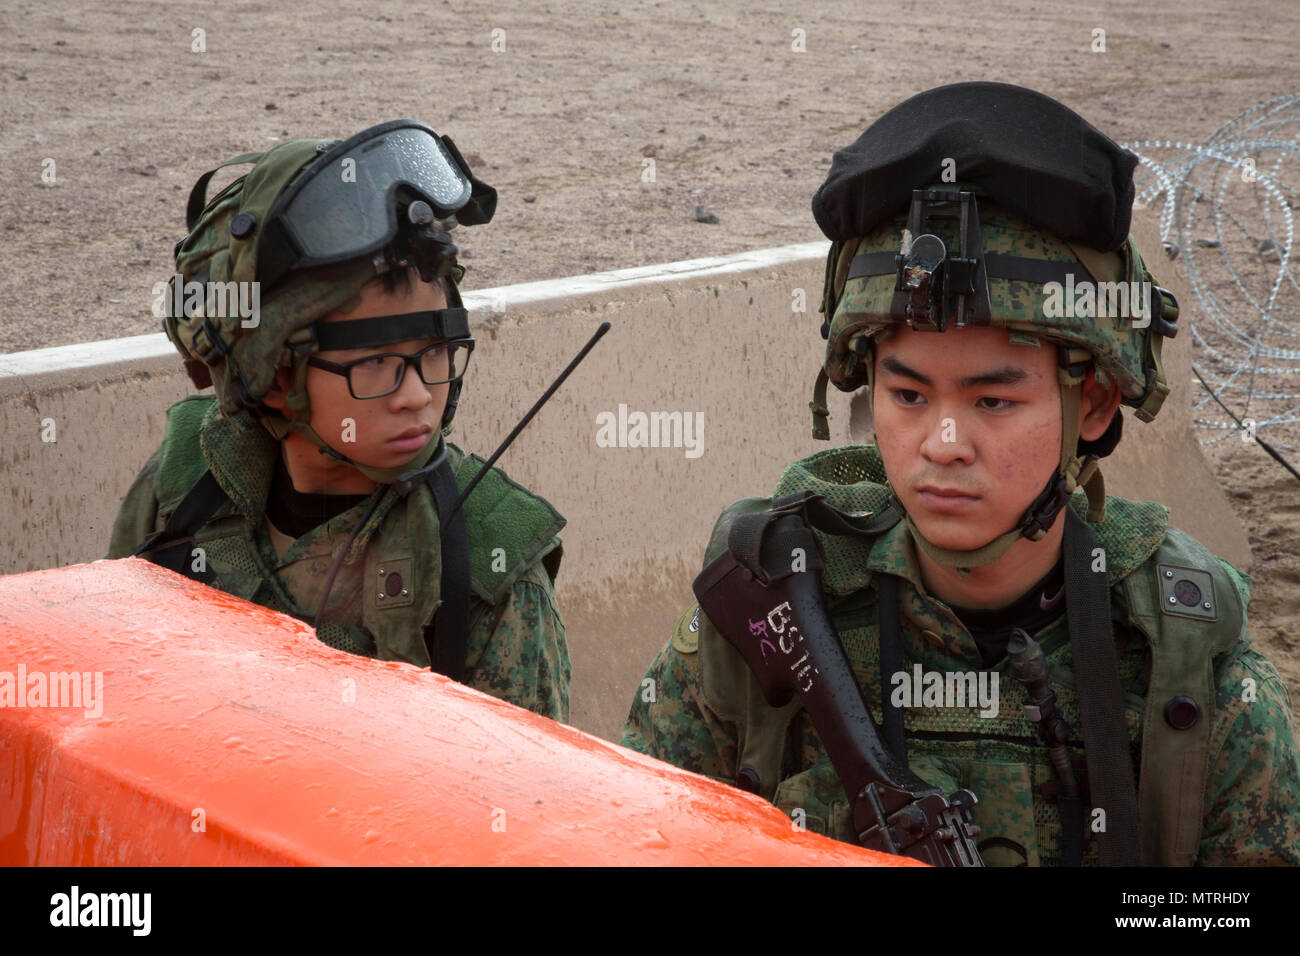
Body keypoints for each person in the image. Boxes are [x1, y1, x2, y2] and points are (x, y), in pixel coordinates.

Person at [621, 82, 1300, 865]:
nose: (942, 443)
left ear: (1096, 403)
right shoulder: (771, 606)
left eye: (993, 402)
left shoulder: (1186, 662)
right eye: (908, 394)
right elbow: (640, 836)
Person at [107, 120, 570, 721]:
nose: (415, 397)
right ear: (276, 379)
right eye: (376, 363)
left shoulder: (485, 563)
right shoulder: (182, 488)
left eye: (434, 353)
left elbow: (531, 799)